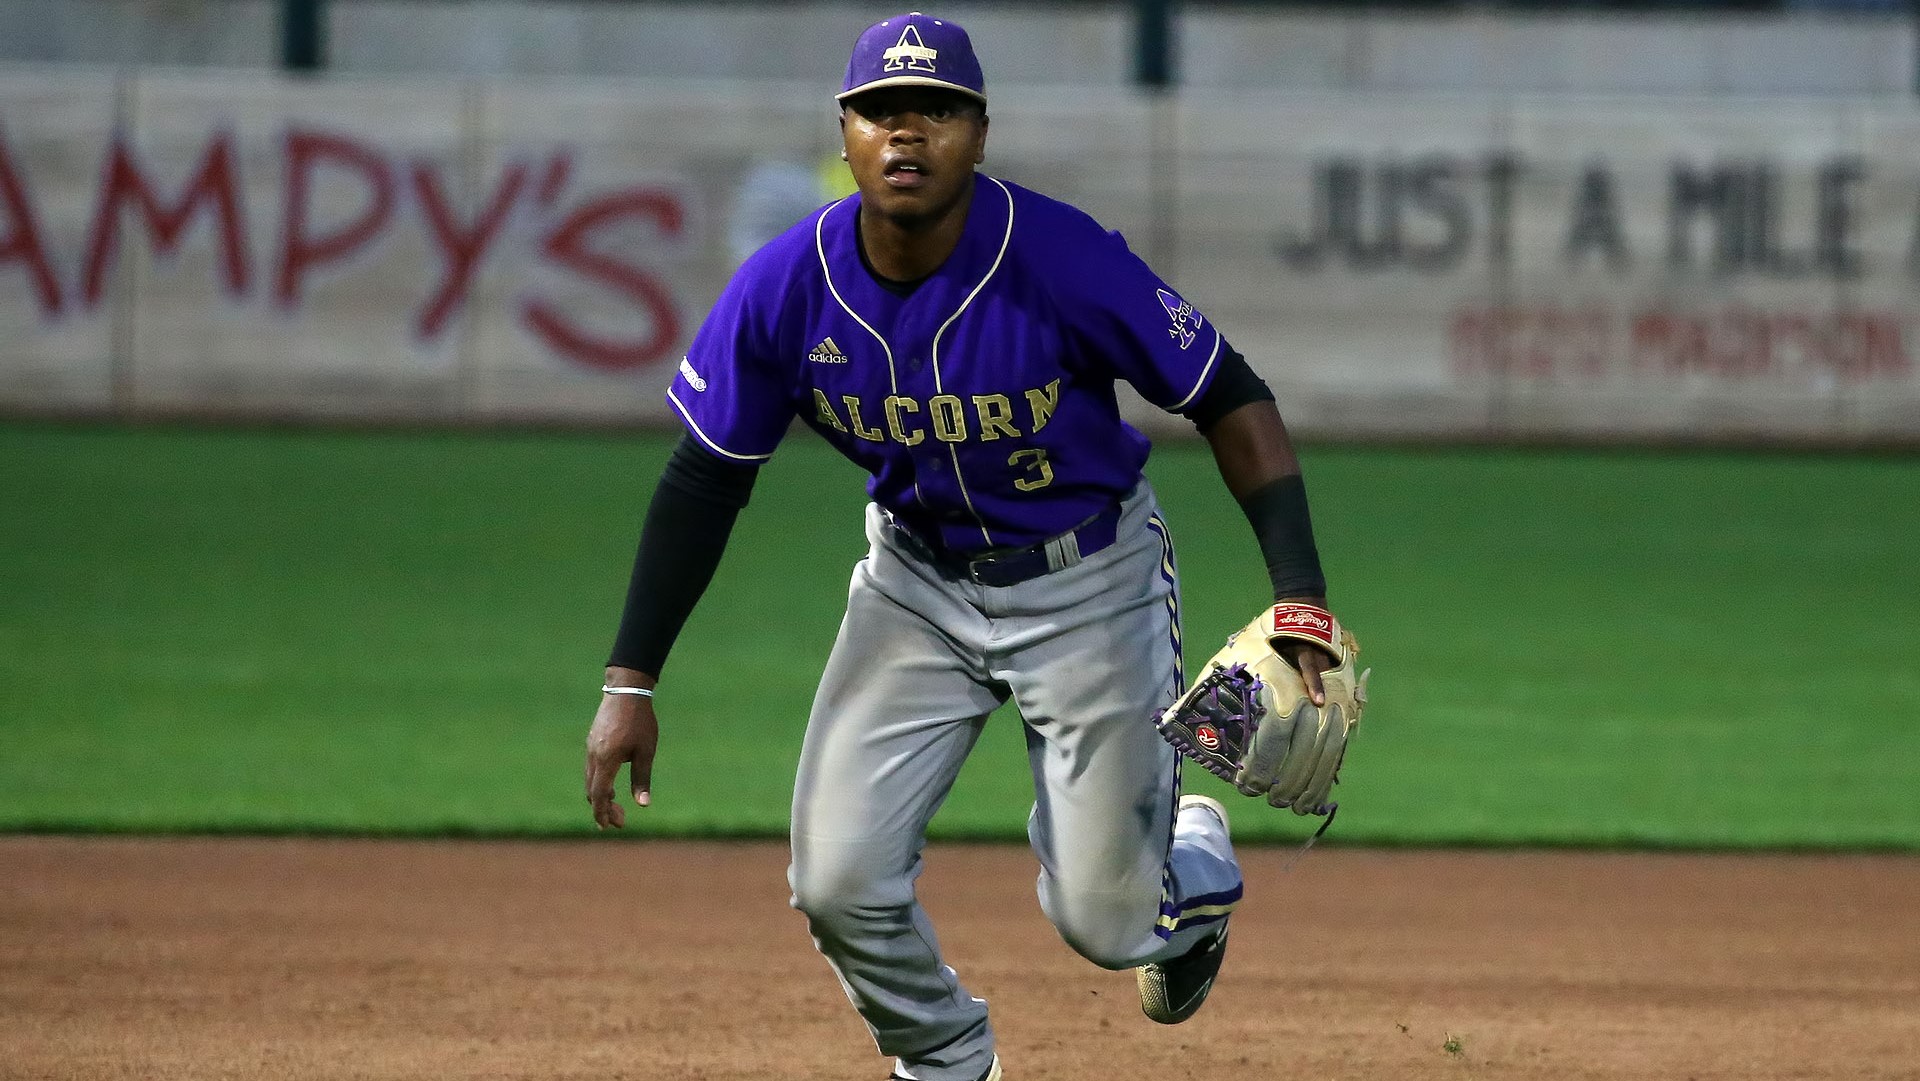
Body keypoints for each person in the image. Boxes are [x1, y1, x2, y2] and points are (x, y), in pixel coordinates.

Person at [584, 13, 1340, 1081]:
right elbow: (706, 476)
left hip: (1092, 583)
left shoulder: (1063, 259)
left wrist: (1299, 594)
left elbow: (1229, 394)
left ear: (978, 134)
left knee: (1108, 922)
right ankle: (943, 1057)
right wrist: (633, 682)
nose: (906, 133)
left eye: (935, 109)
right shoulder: (784, 288)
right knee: (836, 879)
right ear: (844, 134)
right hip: (915, 587)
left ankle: (1189, 852)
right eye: (881, 111)